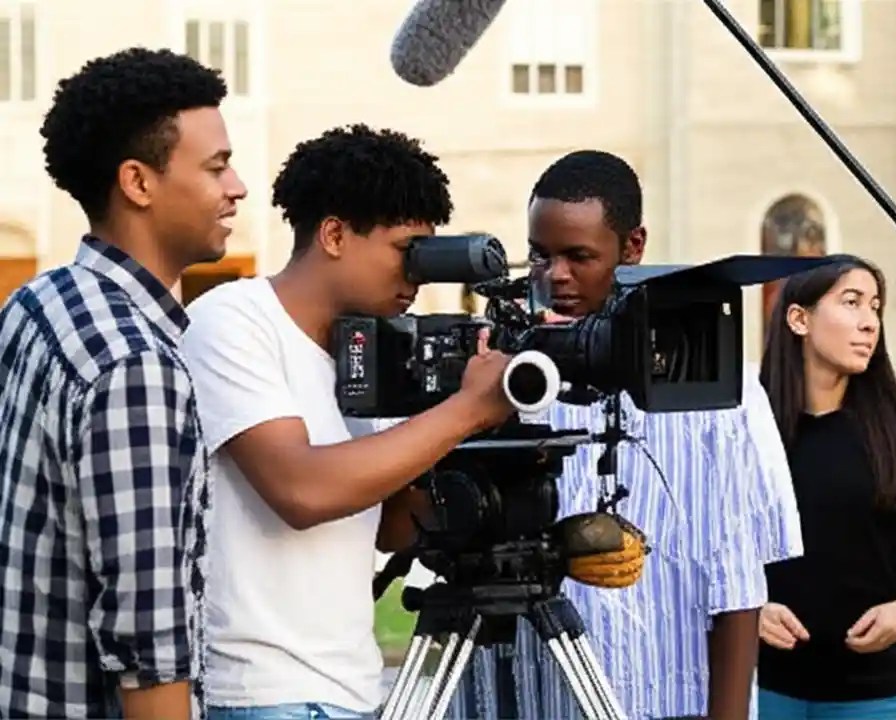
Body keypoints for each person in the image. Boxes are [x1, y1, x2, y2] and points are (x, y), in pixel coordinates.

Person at [441, 149, 804, 720]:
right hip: (535, 699)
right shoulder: (503, 377)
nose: (555, 275)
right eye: (540, 255)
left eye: (579, 256)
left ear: (633, 247)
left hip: (669, 697)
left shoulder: (718, 382)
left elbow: (737, 578)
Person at [177, 124, 515, 720]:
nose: (417, 275)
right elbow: (302, 491)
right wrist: (462, 412)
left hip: (350, 688)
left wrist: (485, 446)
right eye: (405, 251)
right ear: (334, 234)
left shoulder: (367, 351)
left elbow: (388, 528)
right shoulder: (233, 321)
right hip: (265, 694)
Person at [0, 48, 245, 719]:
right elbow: (150, 647)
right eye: (217, 167)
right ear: (138, 182)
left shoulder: (36, 305)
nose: (238, 188)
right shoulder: (135, 365)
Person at [754, 256, 896, 719]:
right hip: (774, 689)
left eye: (876, 307)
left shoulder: (894, 432)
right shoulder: (751, 431)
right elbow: (716, 549)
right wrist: (752, 608)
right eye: (851, 303)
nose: (869, 323)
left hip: (876, 694)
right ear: (799, 318)